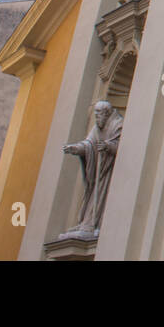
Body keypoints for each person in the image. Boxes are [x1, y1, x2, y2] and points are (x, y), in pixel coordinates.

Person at [61, 100, 123, 238]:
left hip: (108, 172)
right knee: (92, 195)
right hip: (98, 172)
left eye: (98, 115)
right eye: (95, 115)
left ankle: (92, 223)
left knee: (101, 195)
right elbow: (89, 143)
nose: (96, 118)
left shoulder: (117, 124)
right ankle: (86, 223)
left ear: (106, 114)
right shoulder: (97, 127)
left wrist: (108, 146)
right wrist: (75, 148)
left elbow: (123, 146)